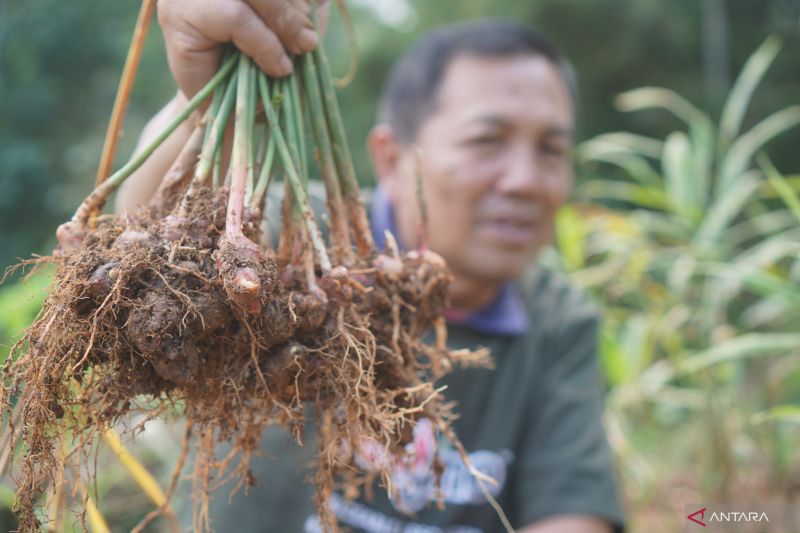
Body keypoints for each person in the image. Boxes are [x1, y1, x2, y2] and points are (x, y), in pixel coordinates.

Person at [119, 1, 626, 531]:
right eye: (486, 141)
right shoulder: (293, 240)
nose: (524, 180)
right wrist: (196, 95)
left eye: (551, 150)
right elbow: (152, 233)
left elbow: (573, 516)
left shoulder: (557, 322)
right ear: (390, 157)